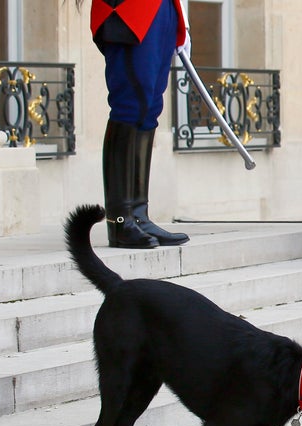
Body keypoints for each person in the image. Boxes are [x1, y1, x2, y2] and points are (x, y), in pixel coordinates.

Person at [82, 0, 190, 248]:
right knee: (131, 104)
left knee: (149, 108)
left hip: (160, 8)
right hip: (126, 9)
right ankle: (119, 220)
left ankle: (138, 216)